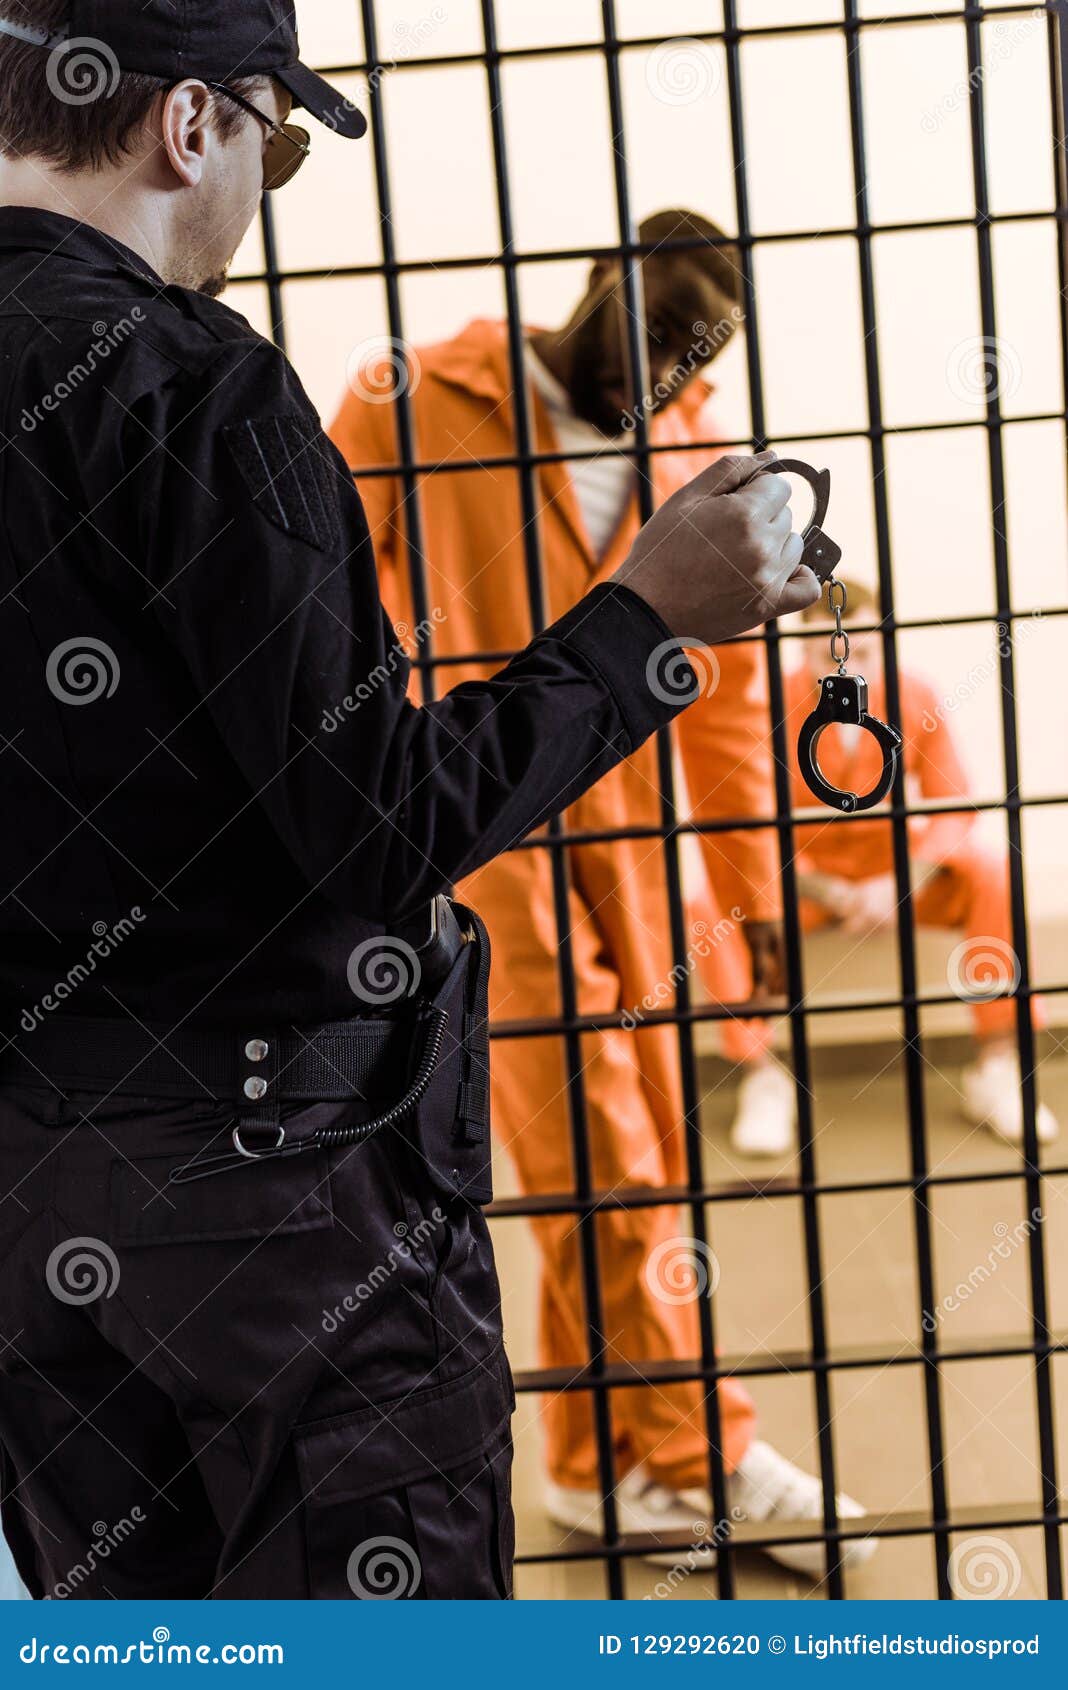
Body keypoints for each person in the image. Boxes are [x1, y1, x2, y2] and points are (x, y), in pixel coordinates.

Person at [0, 3, 821, 1601]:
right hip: (274, 1195)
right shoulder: (196, 390)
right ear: (190, 128)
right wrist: (648, 624)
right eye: (276, 141)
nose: (262, 182)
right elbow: (376, 824)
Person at [330, 211, 875, 1576]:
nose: (660, 391)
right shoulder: (422, 394)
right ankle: (704, 1455)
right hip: (479, 817)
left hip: (630, 835)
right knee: (608, 1152)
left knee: (626, 1152)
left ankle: (587, 1467)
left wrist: (754, 894)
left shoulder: (688, 450)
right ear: (593, 289)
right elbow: (320, 592)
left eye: (690, 368)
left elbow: (741, 705)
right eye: (644, 351)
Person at [739, 579, 1055, 1152]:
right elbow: (747, 833)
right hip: (805, 885)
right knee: (711, 903)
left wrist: (900, 883)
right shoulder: (768, 709)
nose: (846, 666)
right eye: (829, 653)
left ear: (882, 646)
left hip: (894, 873)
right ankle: (762, 1076)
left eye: (862, 652)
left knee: (992, 875)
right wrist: (826, 889)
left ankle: (997, 1064)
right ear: (803, 652)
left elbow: (955, 806)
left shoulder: (913, 696)